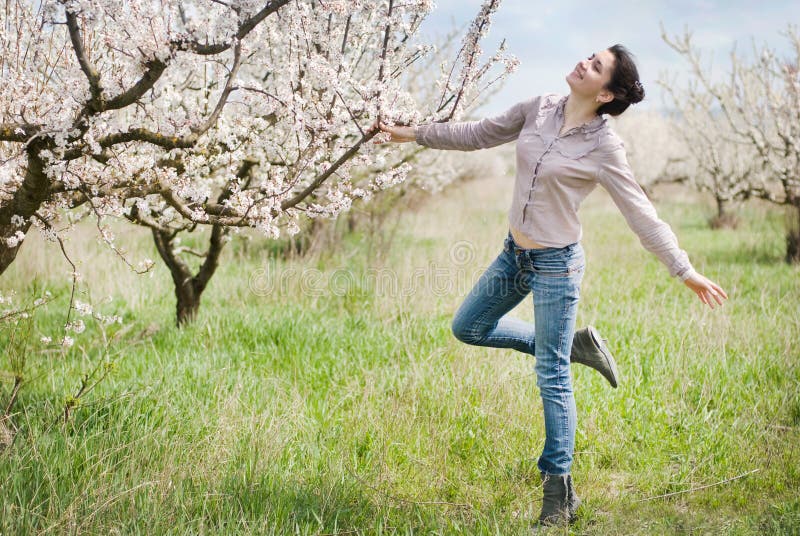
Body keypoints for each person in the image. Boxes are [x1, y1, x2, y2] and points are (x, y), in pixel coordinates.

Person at [378, 45, 728, 526]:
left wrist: (683, 269)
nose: (584, 63)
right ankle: (575, 347)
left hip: (557, 266)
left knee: (551, 376)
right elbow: (478, 134)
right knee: (468, 326)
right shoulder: (538, 108)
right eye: (589, 56)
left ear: (605, 93)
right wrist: (414, 133)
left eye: (596, 66)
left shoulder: (605, 147)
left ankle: (559, 496)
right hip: (514, 254)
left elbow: (640, 212)